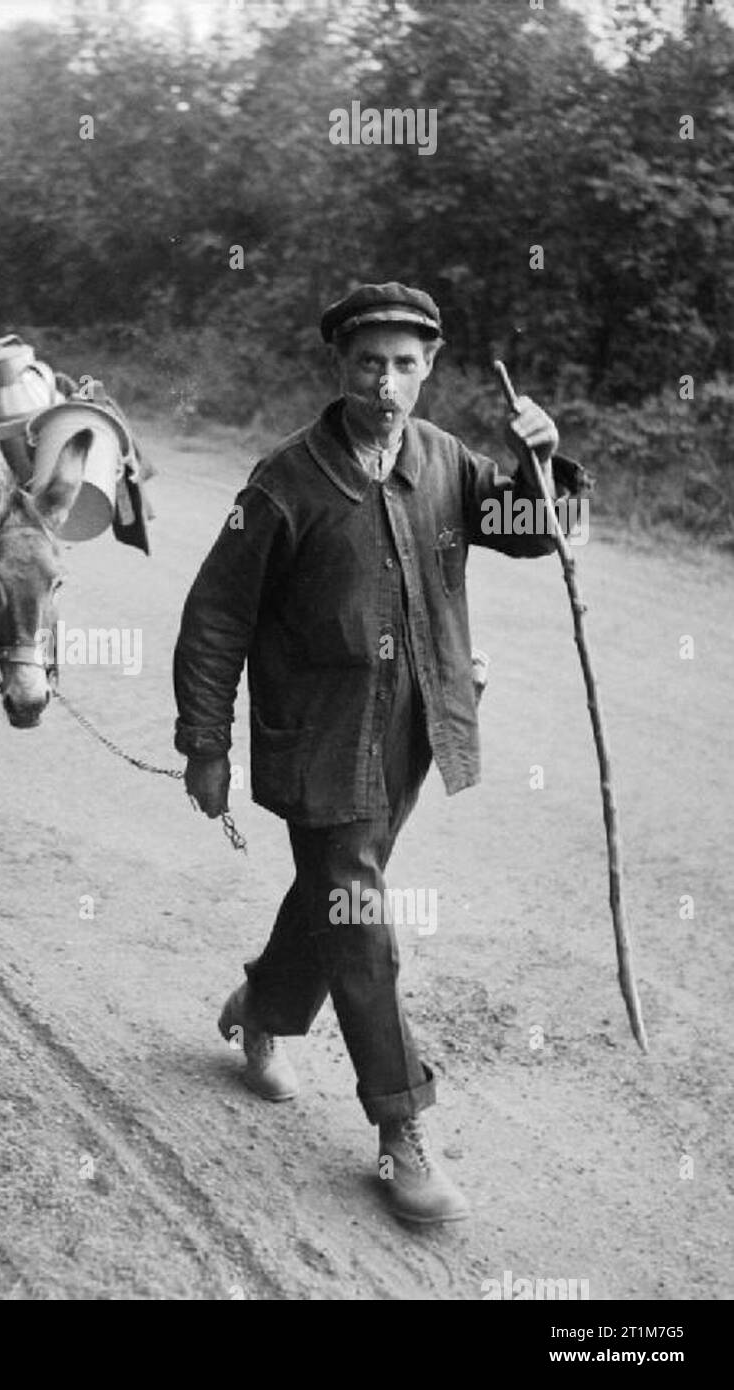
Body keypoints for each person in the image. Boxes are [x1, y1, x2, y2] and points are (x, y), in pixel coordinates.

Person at [172, 281, 587, 1225]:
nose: (387, 383)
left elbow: (530, 535)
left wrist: (545, 467)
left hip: (413, 729)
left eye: (405, 365)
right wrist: (205, 742)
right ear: (339, 365)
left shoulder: (441, 458)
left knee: (334, 891)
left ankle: (263, 1002)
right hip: (319, 738)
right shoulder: (284, 484)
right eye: (369, 363)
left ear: (429, 367)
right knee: (361, 915)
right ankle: (401, 1131)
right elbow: (215, 615)